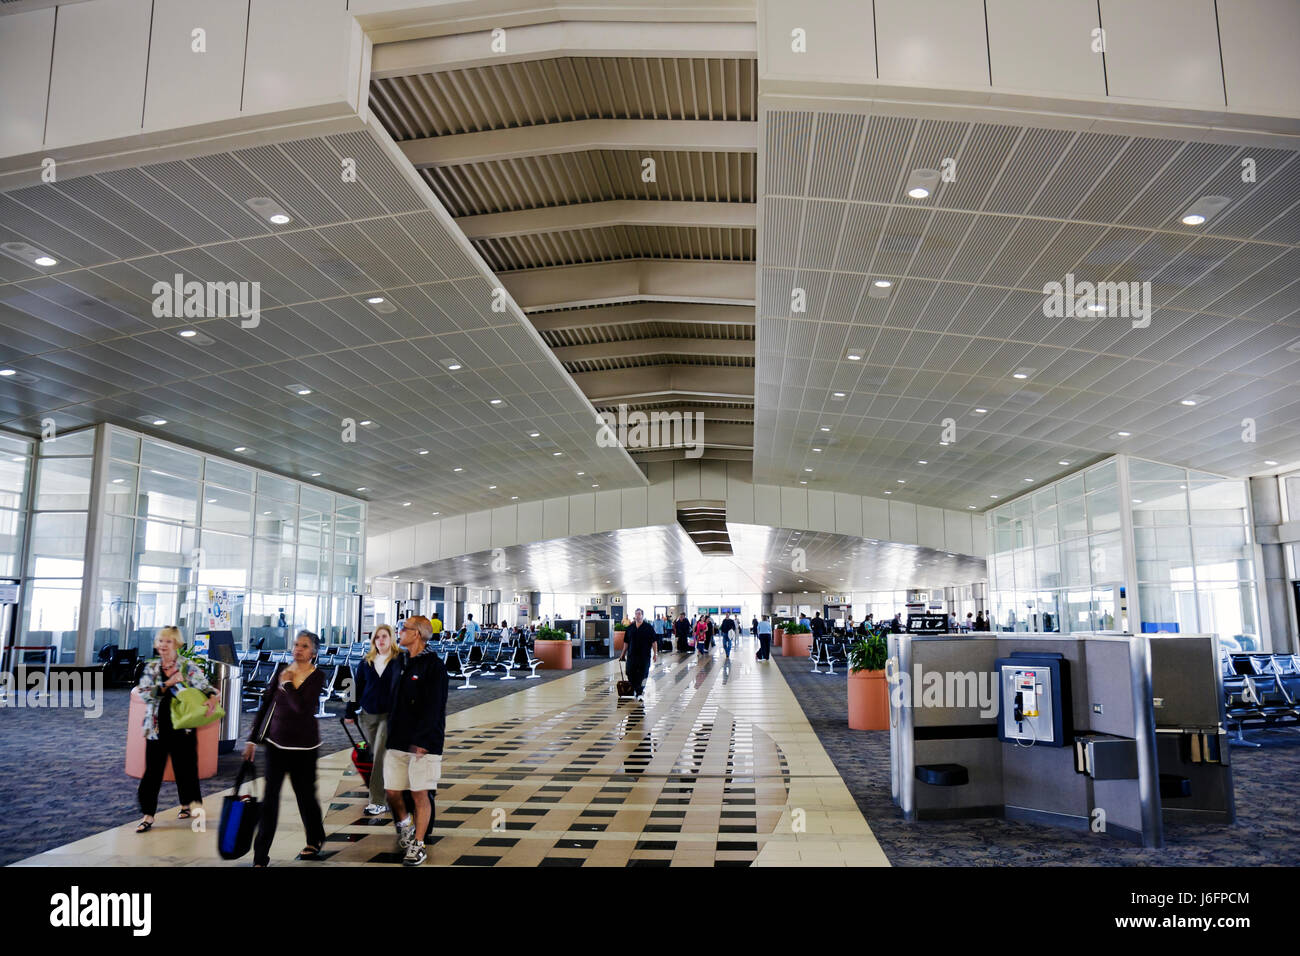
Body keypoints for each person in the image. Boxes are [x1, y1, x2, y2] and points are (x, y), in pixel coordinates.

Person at [243, 630, 328, 866]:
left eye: (304, 646)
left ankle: (315, 838)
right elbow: (266, 706)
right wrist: (252, 739)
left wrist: (288, 684)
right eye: (296, 644)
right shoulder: (282, 671)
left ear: (313, 652)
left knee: (306, 797)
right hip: (276, 745)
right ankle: (261, 855)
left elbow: (301, 707)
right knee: (270, 800)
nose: (298, 649)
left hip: (304, 747)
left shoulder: (317, 676)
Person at [134, 626, 220, 833]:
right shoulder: (151, 668)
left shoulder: (187, 666)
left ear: (177, 645)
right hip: (156, 727)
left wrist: (212, 696)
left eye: (168, 641)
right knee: (153, 771)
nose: (163, 645)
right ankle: (148, 814)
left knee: (186, 767)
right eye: (161, 641)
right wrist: (168, 684)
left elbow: (204, 685)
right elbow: (146, 694)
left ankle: (187, 804)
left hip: (183, 726)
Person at [385, 615, 449, 866]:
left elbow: (435, 707)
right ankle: (405, 825)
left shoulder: (434, 666)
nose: (399, 632)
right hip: (398, 739)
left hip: (425, 743)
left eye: (404, 628)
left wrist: (423, 739)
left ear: (418, 634)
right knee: (392, 791)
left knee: (420, 793)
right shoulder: (399, 662)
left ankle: (419, 844)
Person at [344, 625, 402, 816]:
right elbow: (356, 687)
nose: (380, 640)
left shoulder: (399, 660)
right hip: (368, 715)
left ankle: (377, 800)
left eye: (384, 636)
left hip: (391, 715)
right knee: (381, 756)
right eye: (377, 637)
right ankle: (392, 792)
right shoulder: (366, 662)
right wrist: (349, 712)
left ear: (391, 638)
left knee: (379, 755)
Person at [619, 608, 658, 701]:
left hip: (644, 656)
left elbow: (654, 642)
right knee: (629, 672)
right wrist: (623, 654)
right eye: (636, 614)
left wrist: (655, 654)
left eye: (639, 614)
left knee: (643, 674)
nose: (637, 616)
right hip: (632, 655)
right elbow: (626, 642)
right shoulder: (630, 628)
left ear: (642, 616)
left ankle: (640, 692)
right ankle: (637, 689)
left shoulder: (648, 627)